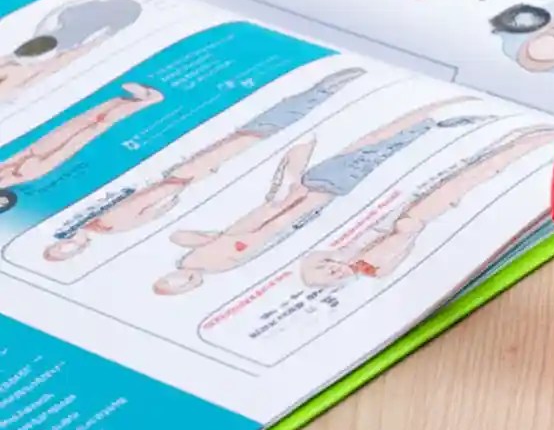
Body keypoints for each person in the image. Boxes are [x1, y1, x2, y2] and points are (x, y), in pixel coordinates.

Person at [152, 96, 495, 295]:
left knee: (377, 144)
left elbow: (257, 226)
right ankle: (436, 120)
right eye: (177, 286)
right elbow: (270, 230)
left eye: (168, 281)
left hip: (315, 190)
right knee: (381, 148)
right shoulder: (221, 264)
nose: (178, 280)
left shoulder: (205, 256)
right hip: (322, 195)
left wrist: (288, 192)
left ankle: (436, 115)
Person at [43, 67, 366, 262]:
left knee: (256, 129)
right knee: (261, 132)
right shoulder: (113, 228)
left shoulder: (94, 217)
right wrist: (180, 182)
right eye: (69, 250)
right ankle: (325, 95)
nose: (69, 242)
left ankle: (322, 93)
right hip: (193, 174)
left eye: (61, 246)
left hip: (184, 169)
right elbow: (161, 209)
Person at [298, 125, 554, 288]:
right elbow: (405, 242)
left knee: (474, 166)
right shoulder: (375, 270)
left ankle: (530, 139)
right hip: (418, 214)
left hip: (409, 207)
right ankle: (534, 142)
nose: (332, 270)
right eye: (330, 277)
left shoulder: (346, 250)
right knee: (480, 171)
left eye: (325, 267)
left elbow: (317, 256)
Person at [0, 83, 163, 190]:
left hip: (46, 143)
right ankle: (148, 101)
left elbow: (25, 153)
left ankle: (130, 100)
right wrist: (84, 133)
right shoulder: (24, 174)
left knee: (89, 117)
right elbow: (60, 154)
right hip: (59, 146)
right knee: (100, 123)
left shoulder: (8, 167)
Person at [0, 0, 143, 101]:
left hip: (47, 49)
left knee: (19, 71)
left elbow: (58, 16)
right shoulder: (93, 19)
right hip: (47, 49)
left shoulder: (88, 15)